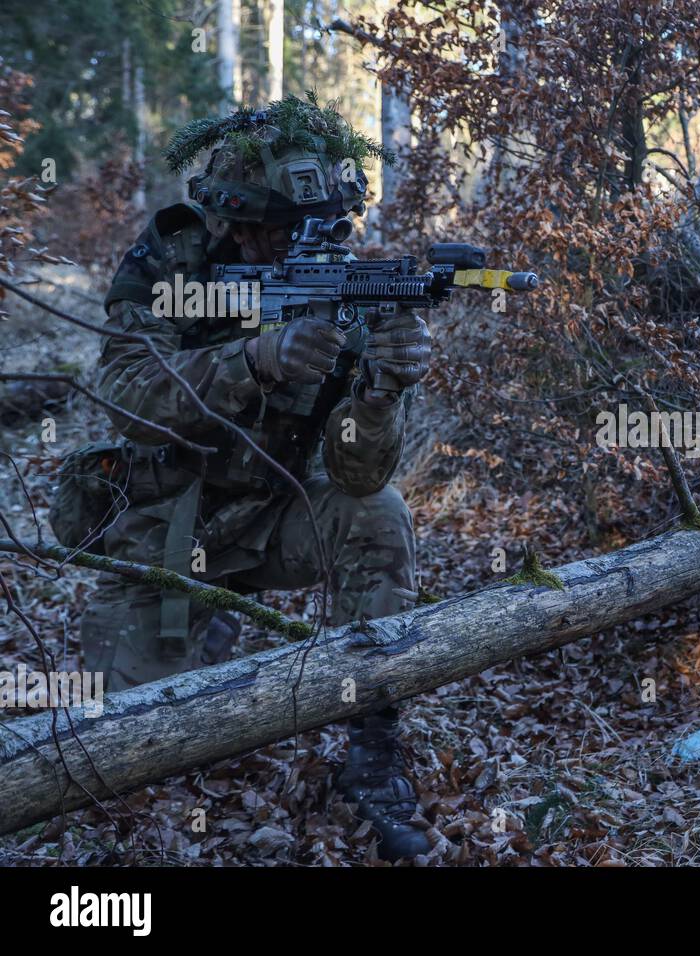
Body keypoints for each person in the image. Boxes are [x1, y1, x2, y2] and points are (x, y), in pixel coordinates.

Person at [69, 96, 433, 861]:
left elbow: (358, 473)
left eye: (309, 229)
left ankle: (371, 755)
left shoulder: (344, 290)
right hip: (163, 529)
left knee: (378, 514)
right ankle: (210, 619)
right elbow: (127, 395)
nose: (283, 246)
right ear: (231, 222)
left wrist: (379, 393)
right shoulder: (174, 260)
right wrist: (255, 359)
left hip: (270, 519)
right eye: (270, 230)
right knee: (118, 762)